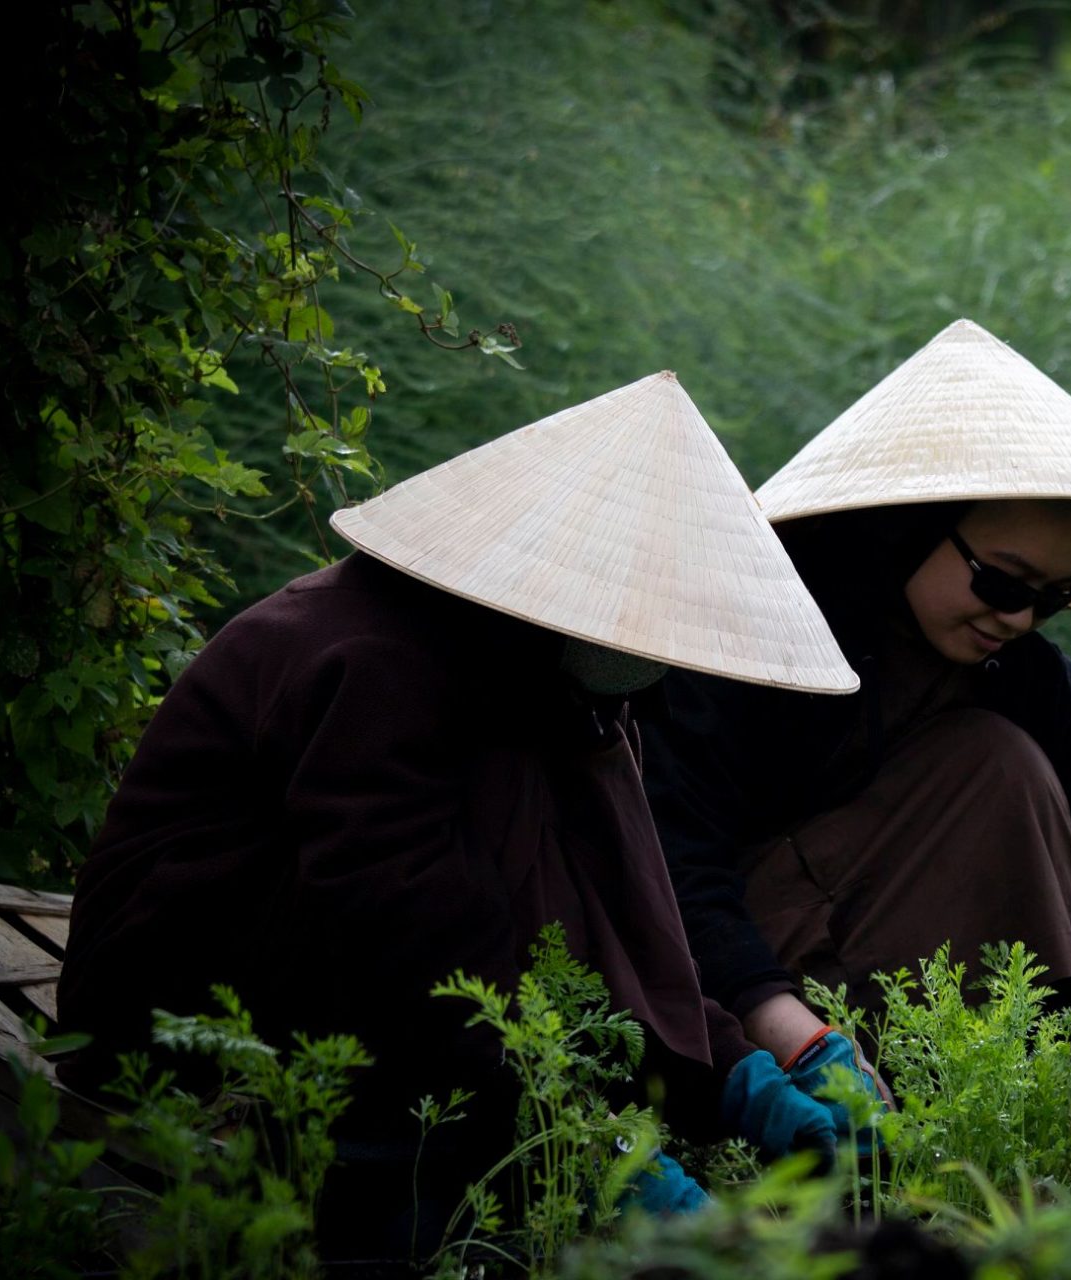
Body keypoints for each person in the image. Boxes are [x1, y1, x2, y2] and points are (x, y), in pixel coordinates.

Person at [59, 372, 879, 1254]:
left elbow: (606, 924)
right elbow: (421, 946)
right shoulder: (368, 662)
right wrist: (588, 1140)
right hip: (188, 1032)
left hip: (381, 1020)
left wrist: (732, 1070)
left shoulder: (540, 689)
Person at [642, 319, 1071, 1071]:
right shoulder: (759, 636)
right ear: (911, 530)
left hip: (915, 991)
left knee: (1002, 760)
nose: (1017, 617)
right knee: (994, 764)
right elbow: (675, 858)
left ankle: (1005, 1079)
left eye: (1050, 597)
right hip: (742, 990)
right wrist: (786, 1031)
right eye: (1000, 580)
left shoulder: (1029, 680)